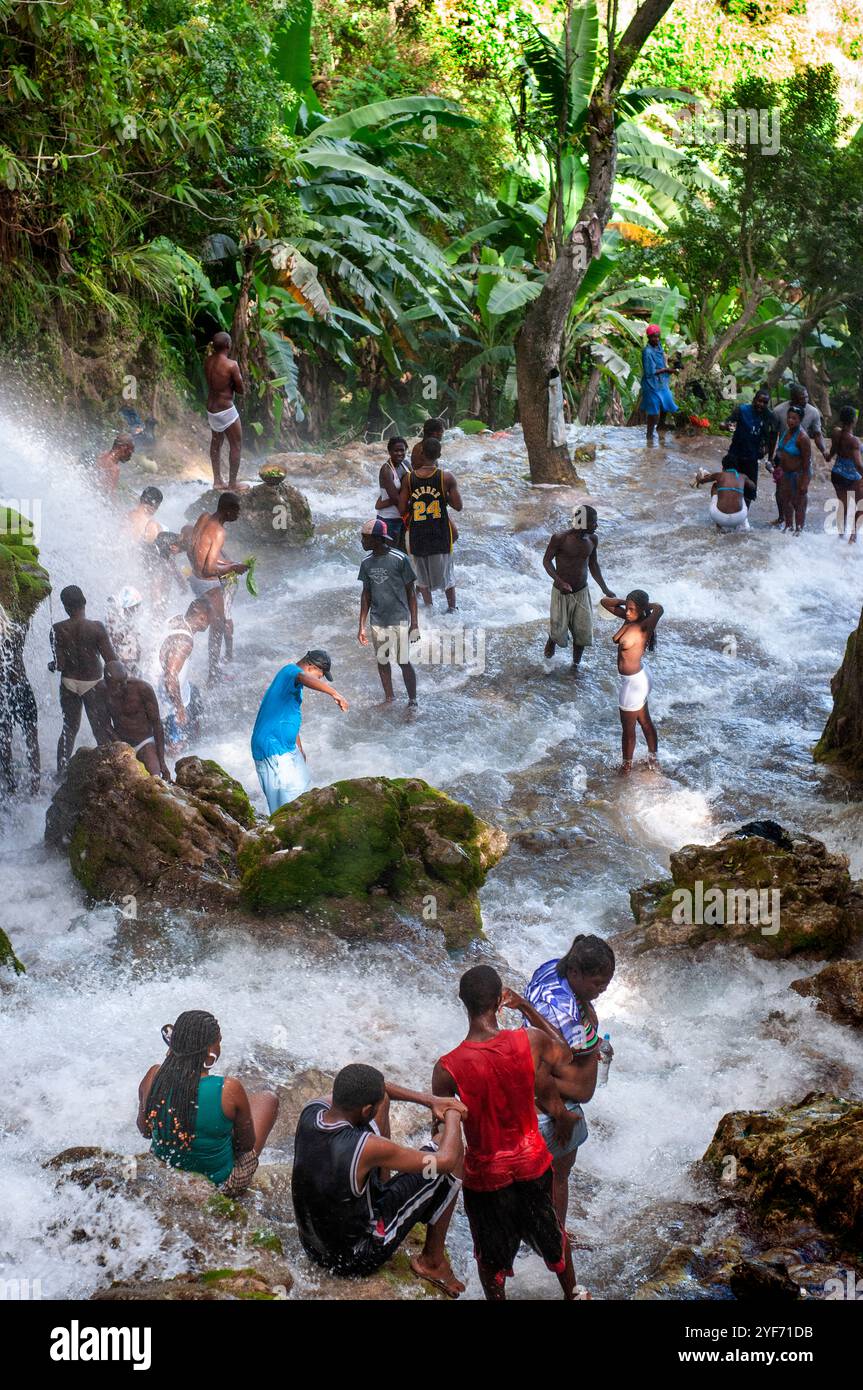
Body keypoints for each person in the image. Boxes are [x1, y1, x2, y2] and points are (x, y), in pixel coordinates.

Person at [432, 964, 584, 1302]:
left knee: (490, 1259)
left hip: (486, 1177)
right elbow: (567, 1053)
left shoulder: (447, 1067)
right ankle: (574, 1295)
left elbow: (441, 1126)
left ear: (463, 1002)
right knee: (553, 1237)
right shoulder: (528, 1040)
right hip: (533, 1163)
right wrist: (527, 1008)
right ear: (500, 1002)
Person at [292, 1063, 466, 1295]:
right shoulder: (369, 1148)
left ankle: (382, 1186)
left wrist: (431, 1100)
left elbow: (380, 1091)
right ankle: (432, 1262)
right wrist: (452, 1113)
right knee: (452, 1150)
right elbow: (444, 1160)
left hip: (313, 1247)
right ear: (365, 1111)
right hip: (356, 1255)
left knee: (381, 1100)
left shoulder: (312, 1111)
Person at [503, 935, 616, 1226]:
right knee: (557, 1174)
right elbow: (564, 1054)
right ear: (576, 973)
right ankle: (556, 1236)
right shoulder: (565, 1014)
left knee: (540, 1176)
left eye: (606, 983)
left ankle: (551, 1232)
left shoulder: (552, 967)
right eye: (597, 983)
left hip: (535, 1062)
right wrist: (559, 1112)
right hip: (547, 1085)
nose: (603, 989)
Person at [138, 1010, 278, 1198]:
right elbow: (245, 1145)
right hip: (218, 1186)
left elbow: (145, 1131)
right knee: (268, 1099)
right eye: (219, 1041)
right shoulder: (228, 1088)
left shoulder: (154, 1076)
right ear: (211, 1052)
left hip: (165, 1177)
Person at [251, 649, 349, 814]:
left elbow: (288, 715)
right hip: (272, 747)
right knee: (286, 806)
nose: (319, 679)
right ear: (311, 667)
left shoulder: (293, 684)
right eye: (320, 675)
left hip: (287, 747)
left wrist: (300, 749)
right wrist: (335, 694)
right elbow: (303, 677)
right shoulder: (290, 671)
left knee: (303, 795)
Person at [51, 585, 116, 775]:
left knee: (69, 729)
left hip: (68, 683)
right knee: (100, 729)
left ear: (65, 606)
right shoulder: (96, 627)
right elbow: (111, 660)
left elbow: (60, 664)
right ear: (84, 602)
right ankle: (109, 770)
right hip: (93, 683)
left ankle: (60, 773)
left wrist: (52, 664)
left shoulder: (57, 629)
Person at [542, 504, 615, 668]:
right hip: (561, 593)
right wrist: (560, 581)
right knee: (557, 633)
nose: (597, 526)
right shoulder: (560, 538)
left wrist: (605, 589)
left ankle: (575, 666)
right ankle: (546, 665)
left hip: (582, 591)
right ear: (582, 522)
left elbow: (593, 565)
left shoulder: (592, 539)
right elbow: (546, 561)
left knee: (582, 631)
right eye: (594, 522)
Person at [600, 590, 663, 773]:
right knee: (644, 720)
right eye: (626, 608)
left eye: (632, 609)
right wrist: (627, 603)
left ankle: (626, 766)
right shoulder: (630, 618)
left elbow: (659, 608)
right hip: (640, 676)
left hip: (634, 683)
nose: (627, 612)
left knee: (628, 729)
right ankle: (653, 758)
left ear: (642, 609)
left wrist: (645, 606)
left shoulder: (645, 625)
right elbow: (605, 602)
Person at [358, 518, 419, 707]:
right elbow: (366, 594)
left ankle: (412, 700)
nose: (362, 541)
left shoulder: (400, 559)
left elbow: (411, 593)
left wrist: (414, 624)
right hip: (377, 620)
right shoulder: (366, 563)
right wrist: (361, 625)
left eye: (365, 538)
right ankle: (389, 698)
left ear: (377, 539)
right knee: (382, 660)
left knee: (403, 661)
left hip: (398, 618)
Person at [188, 492, 248, 681]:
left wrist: (223, 563)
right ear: (228, 511)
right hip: (207, 582)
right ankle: (213, 673)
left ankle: (203, 665)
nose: (238, 515)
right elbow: (209, 567)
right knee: (218, 626)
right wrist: (233, 567)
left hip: (195, 578)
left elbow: (193, 548)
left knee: (204, 621)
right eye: (237, 511)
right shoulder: (220, 532)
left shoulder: (204, 517)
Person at [398, 437, 462, 612]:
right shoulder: (446, 478)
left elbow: (402, 508)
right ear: (439, 455)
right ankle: (452, 609)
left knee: (422, 578)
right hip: (440, 534)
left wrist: (414, 502)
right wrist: (443, 497)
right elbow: (458, 506)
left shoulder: (409, 479)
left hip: (418, 534)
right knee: (447, 575)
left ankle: (429, 610)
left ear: (421, 453)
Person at [102, 660, 170, 779]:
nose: (120, 689)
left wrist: (162, 762)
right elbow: (106, 726)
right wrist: (124, 749)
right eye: (115, 686)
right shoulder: (102, 692)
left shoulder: (142, 689)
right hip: (122, 744)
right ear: (107, 683)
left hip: (145, 742)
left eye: (123, 684)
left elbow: (157, 724)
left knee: (155, 779)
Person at [769, 384, 826, 526]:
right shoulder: (779, 411)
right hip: (784, 465)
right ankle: (784, 520)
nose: (805, 400)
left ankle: (799, 529)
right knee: (783, 494)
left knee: (799, 497)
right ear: (792, 398)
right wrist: (770, 457)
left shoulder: (811, 415)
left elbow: (818, 434)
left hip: (800, 465)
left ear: (800, 419)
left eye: (806, 397)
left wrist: (824, 451)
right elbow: (772, 435)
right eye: (802, 398)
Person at [157, 599, 210, 750]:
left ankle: (197, 746)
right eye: (210, 619)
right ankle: (175, 759)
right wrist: (179, 708)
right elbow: (170, 676)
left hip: (167, 684)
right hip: (168, 694)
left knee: (195, 693)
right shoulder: (184, 641)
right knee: (175, 743)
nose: (211, 623)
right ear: (201, 618)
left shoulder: (175, 619)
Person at [0, 616, 40, 795]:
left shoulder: (17, 626)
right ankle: (34, 786)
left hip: (3, 689)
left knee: (4, 739)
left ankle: (11, 785)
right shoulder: (19, 625)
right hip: (20, 683)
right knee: (30, 735)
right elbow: (27, 612)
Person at [204, 331, 244, 490]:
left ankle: (217, 481)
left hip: (211, 409)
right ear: (228, 345)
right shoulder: (232, 365)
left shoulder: (207, 361)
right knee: (236, 444)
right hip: (226, 409)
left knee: (216, 443)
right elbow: (240, 390)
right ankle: (232, 483)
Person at [722, 389, 772, 501]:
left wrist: (766, 450)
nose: (761, 404)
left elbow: (770, 438)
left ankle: (743, 517)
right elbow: (726, 422)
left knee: (749, 491)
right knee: (728, 485)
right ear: (754, 400)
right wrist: (724, 425)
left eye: (765, 403)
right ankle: (725, 512)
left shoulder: (768, 416)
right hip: (734, 455)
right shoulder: (742, 410)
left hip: (752, 458)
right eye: (759, 401)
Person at [826, 405, 863, 543]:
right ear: (853, 420)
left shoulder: (836, 433)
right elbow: (858, 465)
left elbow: (833, 450)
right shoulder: (854, 441)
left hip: (836, 474)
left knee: (843, 506)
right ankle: (853, 537)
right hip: (851, 476)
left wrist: (828, 457)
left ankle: (840, 536)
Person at [774, 404, 812, 534]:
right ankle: (788, 526)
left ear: (800, 420)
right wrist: (776, 466)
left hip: (799, 474)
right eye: (789, 417)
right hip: (785, 473)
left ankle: (798, 531)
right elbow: (780, 451)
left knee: (799, 503)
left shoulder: (803, 438)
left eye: (794, 418)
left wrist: (804, 483)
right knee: (786, 500)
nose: (790, 420)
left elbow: (807, 463)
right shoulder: (786, 432)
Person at [641, 326, 678, 441]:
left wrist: (670, 367)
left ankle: (661, 427)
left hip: (662, 382)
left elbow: (662, 360)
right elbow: (649, 372)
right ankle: (649, 436)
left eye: (657, 337)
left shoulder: (659, 346)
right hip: (651, 384)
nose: (656, 339)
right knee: (653, 411)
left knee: (667, 402)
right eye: (653, 337)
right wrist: (667, 370)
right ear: (648, 337)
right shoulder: (647, 352)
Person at [692, 465, 754, 532]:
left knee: (715, 485)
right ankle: (744, 524)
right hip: (739, 518)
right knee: (741, 492)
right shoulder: (742, 476)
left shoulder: (719, 475)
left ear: (724, 467)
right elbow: (753, 487)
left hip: (719, 517)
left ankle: (719, 526)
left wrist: (698, 477)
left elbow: (701, 481)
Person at [374, 436, 410, 551]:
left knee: (404, 553)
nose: (399, 453)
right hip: (388, 519)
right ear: (389, 452)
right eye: (396, 450)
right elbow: (395, 499)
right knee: (390, 553)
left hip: (402, 516)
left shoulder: (406, 464)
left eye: (402, 450)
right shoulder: (386, 470)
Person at [105, 586, 144, 676]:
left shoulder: (125, 617)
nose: (136, 610)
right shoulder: (113, 618)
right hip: (122, 666)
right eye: (134, 607)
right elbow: (113, 640)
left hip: (130, 664)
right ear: (127, 605)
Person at [151, 531, 188, 616]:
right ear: (173, 547)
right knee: (161, 578)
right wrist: (182, 583)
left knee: (164, 577)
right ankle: (157, 611)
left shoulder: (170, 538)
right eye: (179, 552)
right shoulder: (165, 549)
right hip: (155, 558)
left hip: (153, 553)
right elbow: (172, 567)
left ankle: (158, 610)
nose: (178, 554)